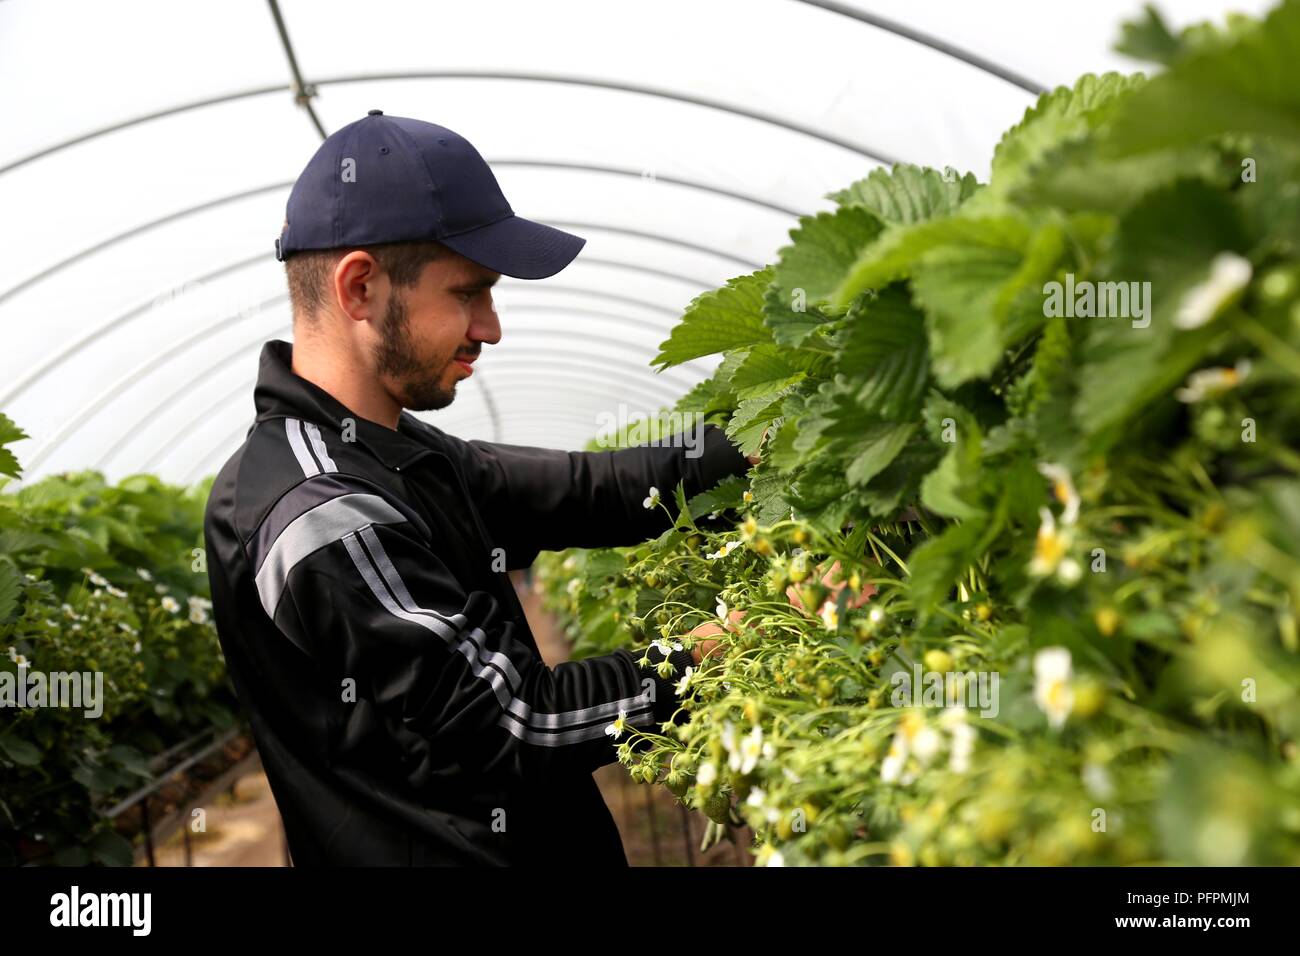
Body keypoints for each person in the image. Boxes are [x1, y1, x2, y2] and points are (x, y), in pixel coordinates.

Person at [202, 112, 756, 866]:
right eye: (470, 292)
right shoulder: (318, 506)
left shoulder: (396, 452)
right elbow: (514, 724)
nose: (490, 329)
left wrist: (776, 440)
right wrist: (726, 646)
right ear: (361, 286)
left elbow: (594, 489)